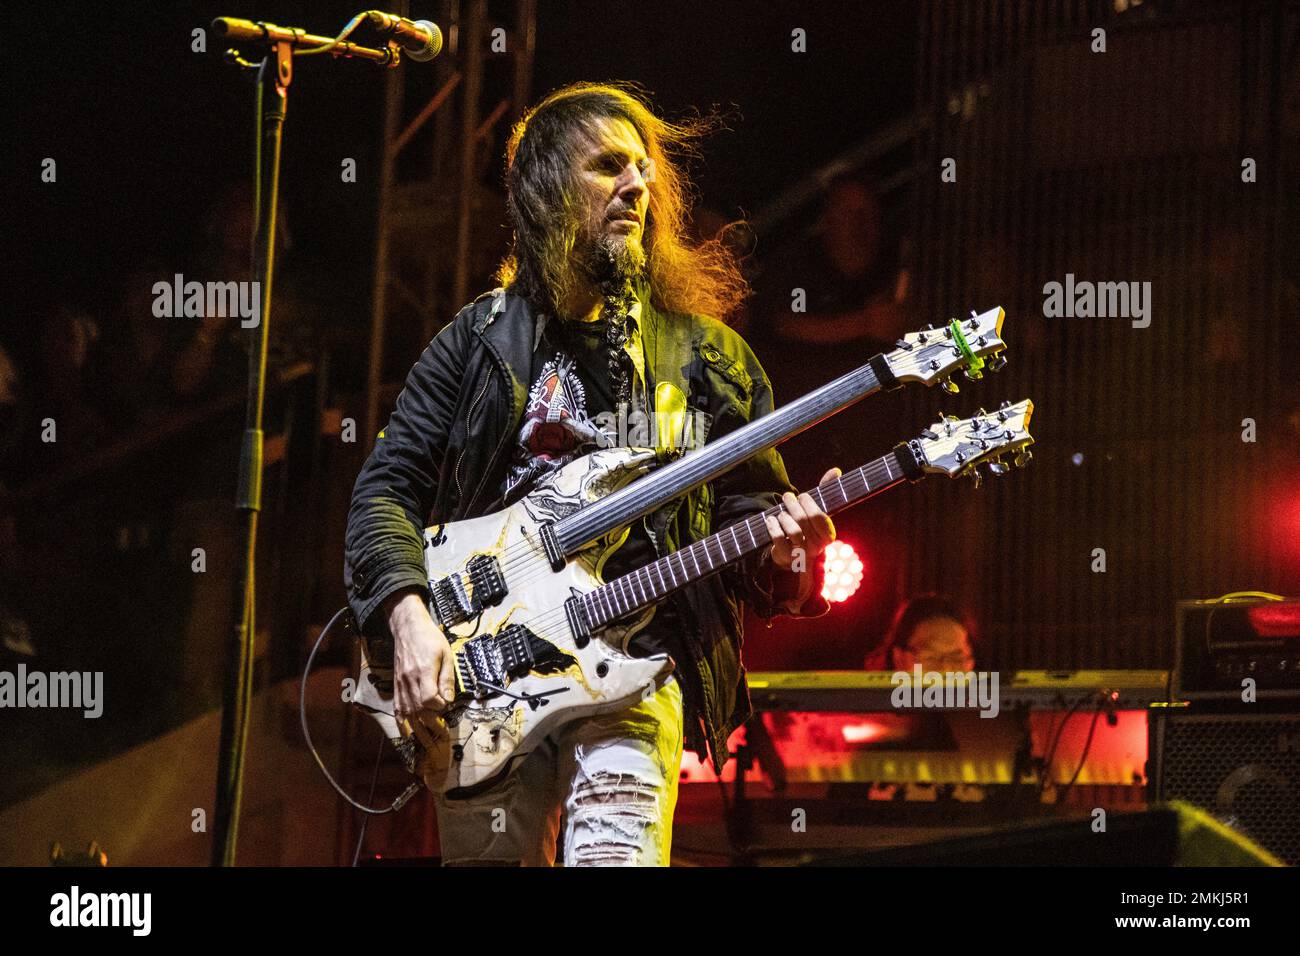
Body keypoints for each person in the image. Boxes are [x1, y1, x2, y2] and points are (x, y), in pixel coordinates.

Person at [344, 82, 840, 866]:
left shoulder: (706, 358)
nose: (637, 185)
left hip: (634, 674)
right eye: (609, 166)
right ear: (544, 190)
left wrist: (786, 554)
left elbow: (757, 527)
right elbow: (384, 490)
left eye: (645, 169)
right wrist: (408, 619)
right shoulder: (475, 343)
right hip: (488, 681)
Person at [863, 594, 977, 673]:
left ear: (971, 663)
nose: (945, 670)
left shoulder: (984, 704)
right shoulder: (869, 706)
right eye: (931, 657)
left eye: (956, 658)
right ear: (899, 658)